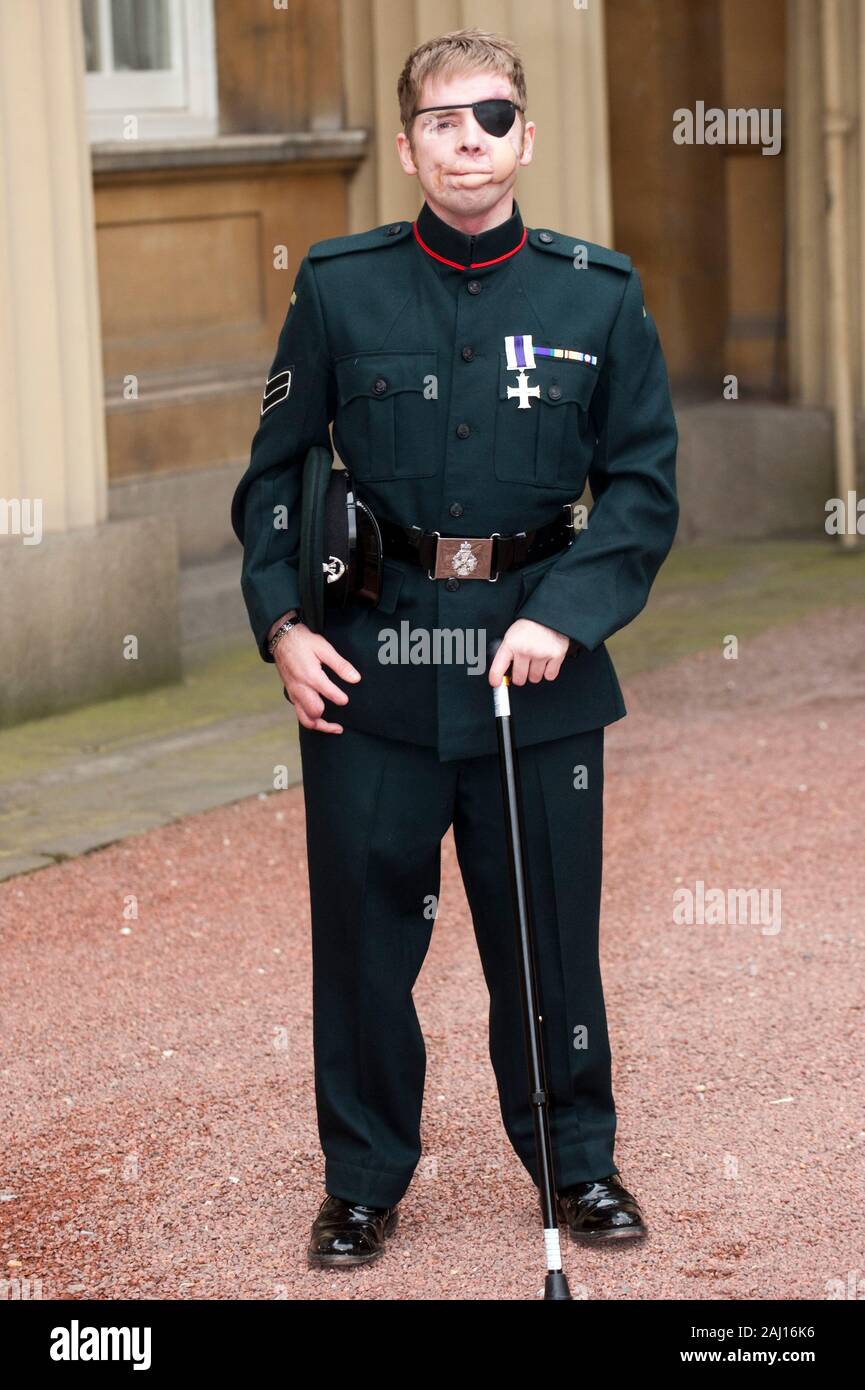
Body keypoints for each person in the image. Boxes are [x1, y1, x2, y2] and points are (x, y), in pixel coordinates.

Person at [230, 27, 679, 1269]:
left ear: (524, 137)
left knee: (548, 939)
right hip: (370, 662)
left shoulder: (598, 293)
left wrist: (565, 612)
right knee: (366, 941)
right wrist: (280, 627)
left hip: (538, 670)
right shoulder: (339, 284)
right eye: (442, 119)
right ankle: (362, 1181)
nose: (468, 139)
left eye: (491, 117)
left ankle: (577, 1166)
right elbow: (273, 481)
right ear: (410, 142)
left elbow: (641, 487)